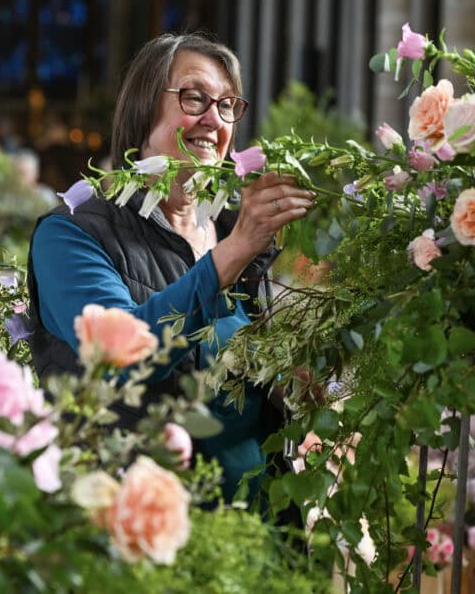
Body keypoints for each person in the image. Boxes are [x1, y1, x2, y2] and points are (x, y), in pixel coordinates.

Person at [26, 33, 315, 503]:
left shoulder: (234, 231)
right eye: (195, 97)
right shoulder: (72, 235)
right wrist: (233, 254)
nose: (213, 118)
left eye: (226, 105)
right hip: (145, 524)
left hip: (260, 526)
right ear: (143, 109)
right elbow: (120, 356)